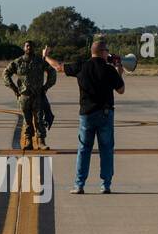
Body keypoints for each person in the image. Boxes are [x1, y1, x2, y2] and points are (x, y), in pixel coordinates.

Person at [44, 39, 125, 194]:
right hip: (105, 114)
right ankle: (105, 185)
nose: (108, 53)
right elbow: (121, 89)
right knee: (106, 150)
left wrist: (46, 57)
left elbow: (58, 67)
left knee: (84, 149)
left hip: (87, 115)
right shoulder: (109, 70)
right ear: (102, 52)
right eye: (106, 50)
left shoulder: (81, 66)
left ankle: (79, 184)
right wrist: (118, 69)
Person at [3, 40, 56, 150]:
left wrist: (46, 87)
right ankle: (28, 141)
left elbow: (52, 72)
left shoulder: (40, 61)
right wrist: (14, 88)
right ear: (24, 48)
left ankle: (41, 141)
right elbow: (5, 73)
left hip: (37, 95)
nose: (29, 48)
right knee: (27, 120)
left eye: (31, 46)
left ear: (34, 48)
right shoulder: (18, 62)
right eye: (27, 46)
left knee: (39, 119)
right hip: (24, 96)